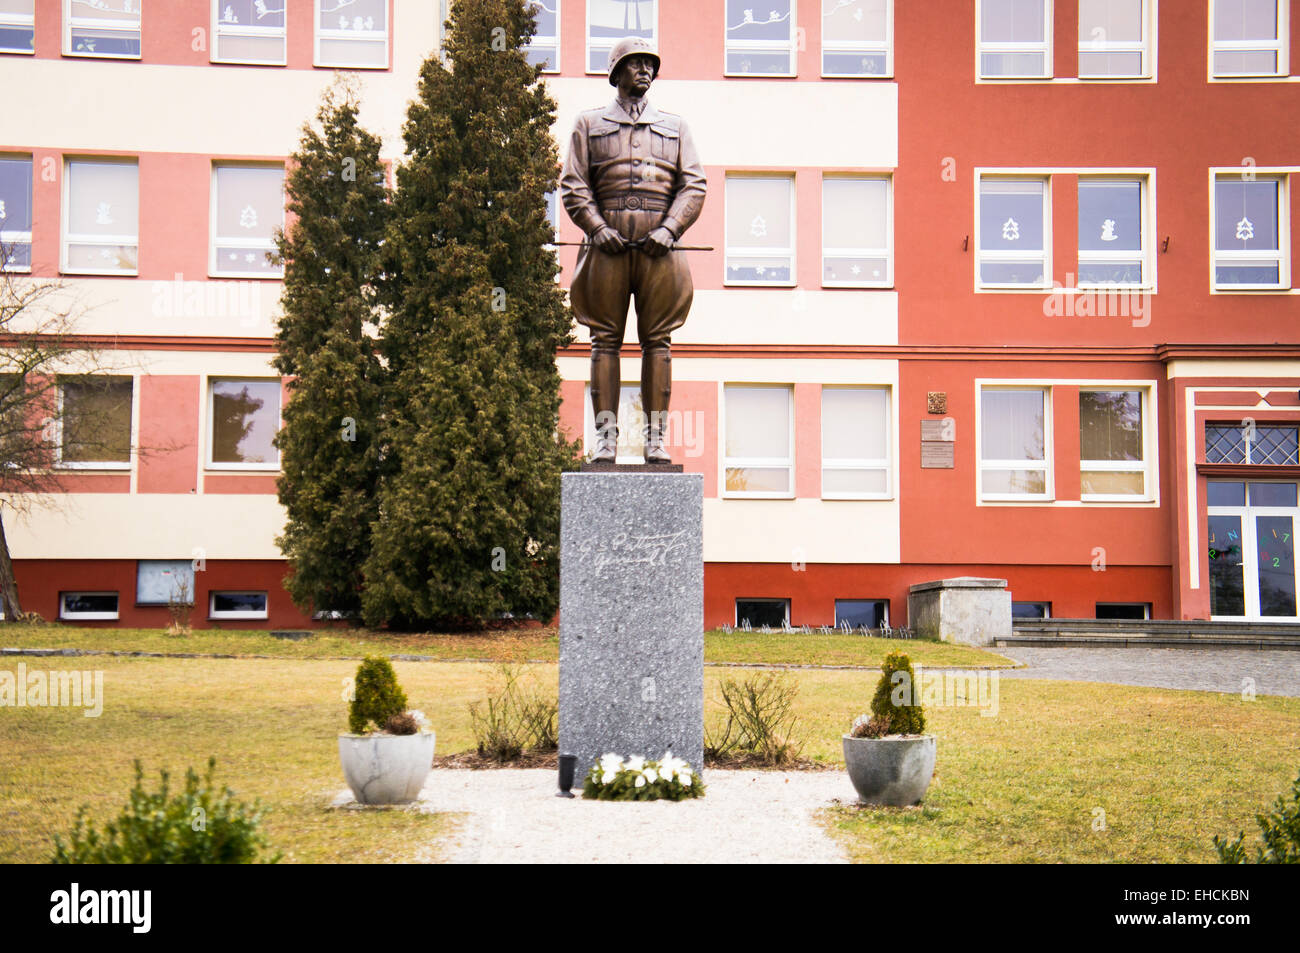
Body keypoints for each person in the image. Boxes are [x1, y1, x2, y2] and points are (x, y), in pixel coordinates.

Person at [560, 36, 707, 463]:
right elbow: (573, 184)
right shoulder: (589, 123)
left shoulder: (676, 127)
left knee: (658, 341)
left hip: (659, 244)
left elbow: (693, 185)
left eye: (649, 64)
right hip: (606, 242)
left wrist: (671, 228)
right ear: (616, 72)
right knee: (603, 340)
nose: (644, 70)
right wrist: (596, 226)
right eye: (634, 63)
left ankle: (655, 440)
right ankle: (606, 439)